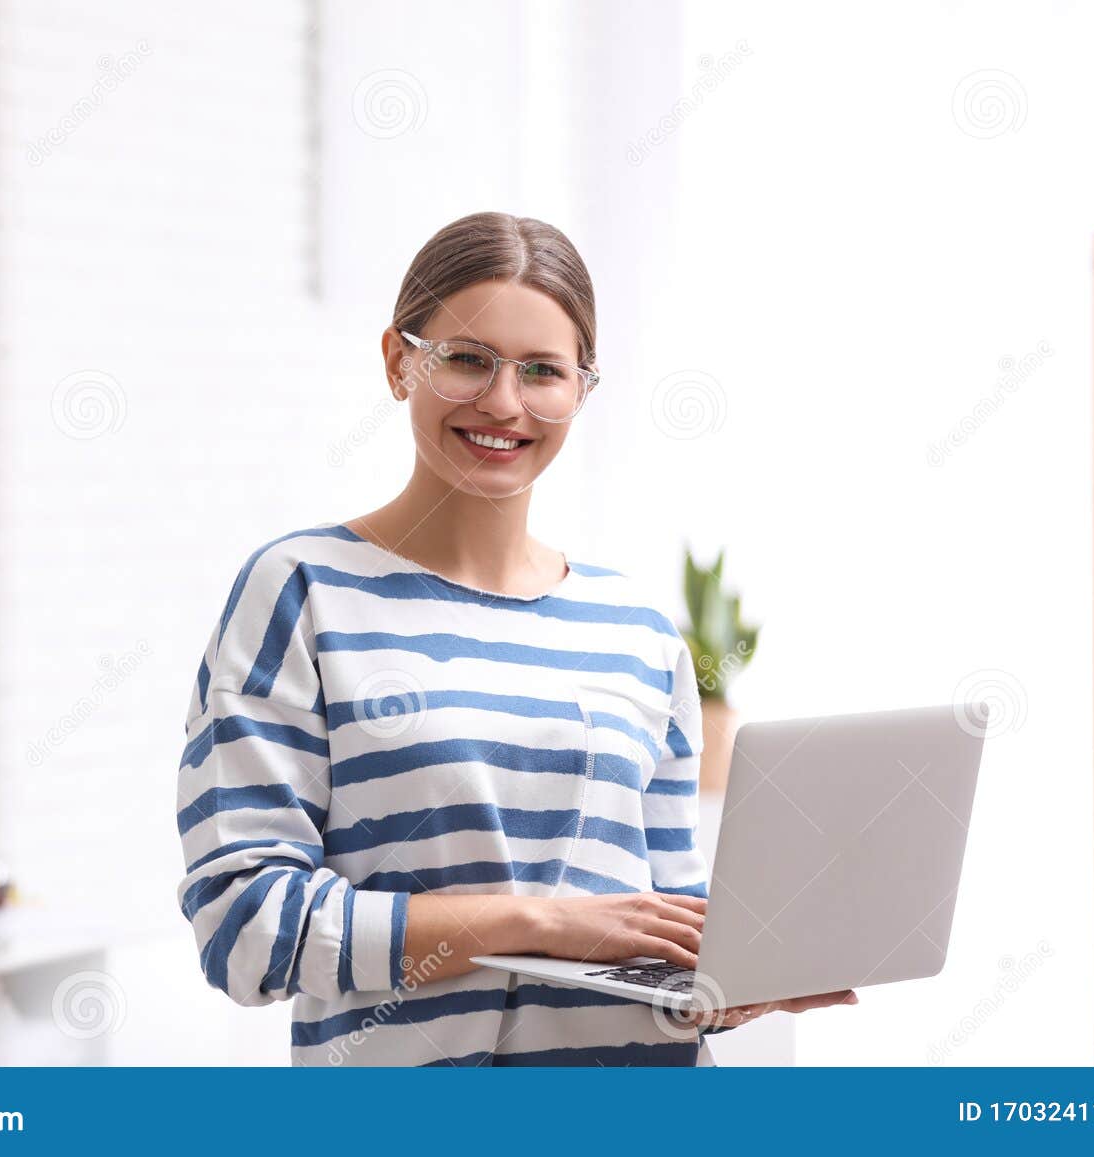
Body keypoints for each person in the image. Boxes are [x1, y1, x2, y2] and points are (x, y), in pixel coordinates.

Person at [175, 211, 856, 1066]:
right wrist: (539, 922)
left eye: (543, 371)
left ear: (582, 390)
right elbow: (244, 928)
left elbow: (658, 934)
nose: (504, 402)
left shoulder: (639, 634)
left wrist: (725, 984)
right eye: (467, 359)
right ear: (399, 361)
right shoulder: (304, 591)